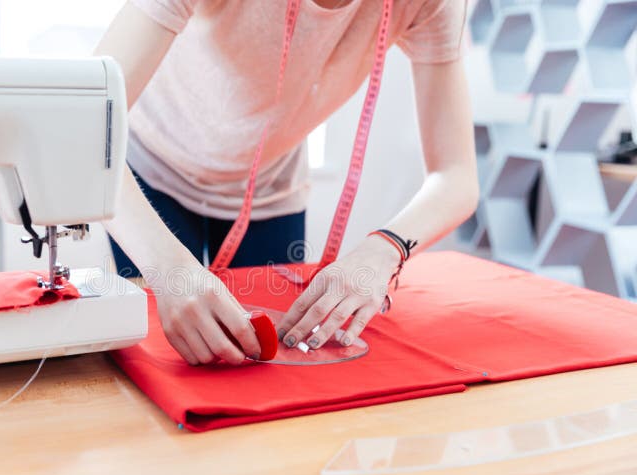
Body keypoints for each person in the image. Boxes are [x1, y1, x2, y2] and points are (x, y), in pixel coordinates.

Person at [96, 0, 478, 366]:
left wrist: (384, 251)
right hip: (151, 169)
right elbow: (88, 124)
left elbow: (457, 176)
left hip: (271, 187)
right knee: (169, 356)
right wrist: (170, 270)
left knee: (271, 361)